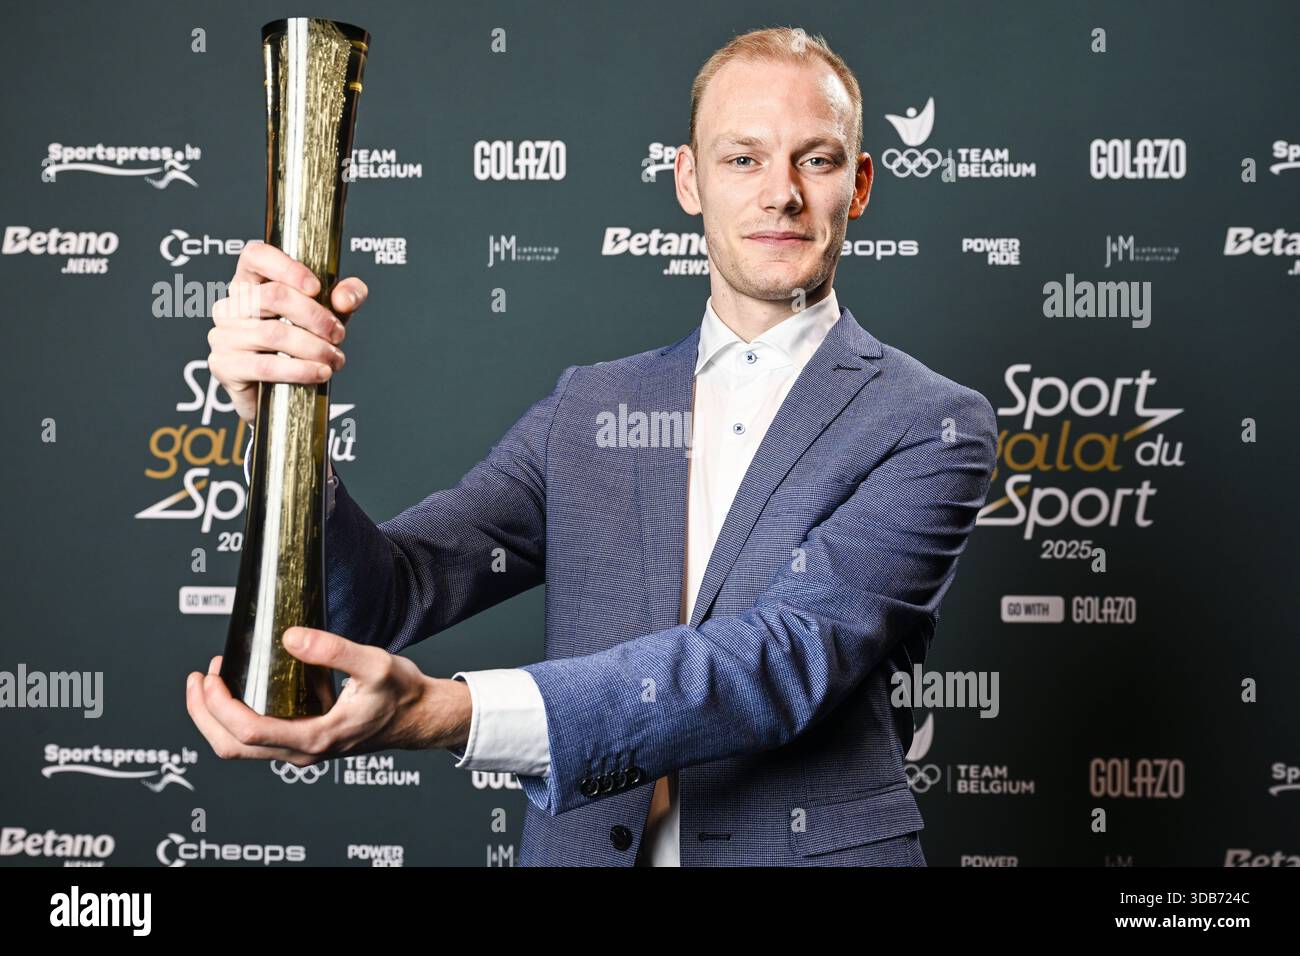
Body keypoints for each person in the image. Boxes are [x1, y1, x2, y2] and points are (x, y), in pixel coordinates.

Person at [189, 26, 998, 866]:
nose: (781, 194)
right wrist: (281, 418)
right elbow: (388, 595)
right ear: (689, 180)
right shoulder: (591, 407)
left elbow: (782, 662)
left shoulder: (929, 422)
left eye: (817, 161)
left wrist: (451, 713)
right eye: (743, 159)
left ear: (859, 184)